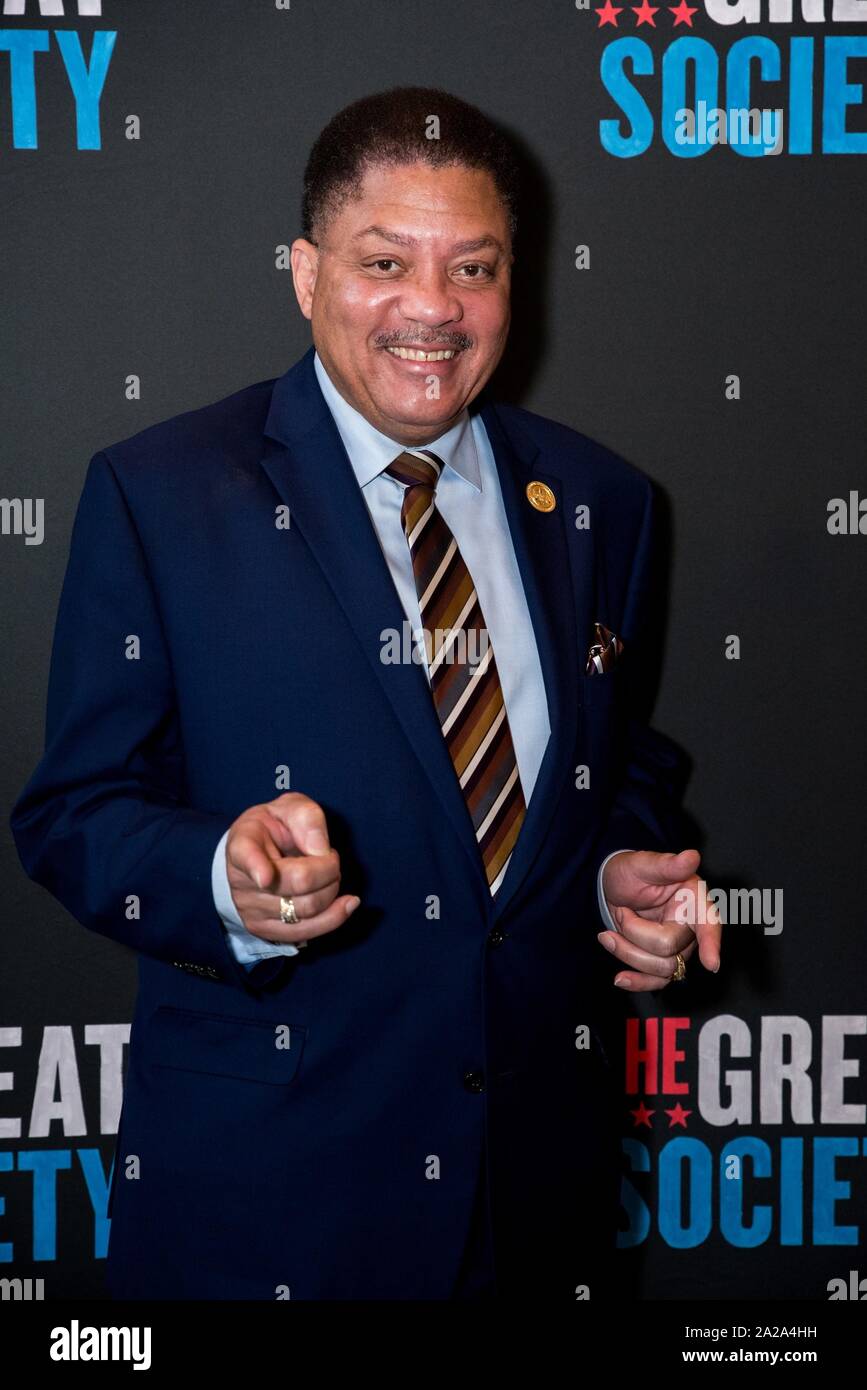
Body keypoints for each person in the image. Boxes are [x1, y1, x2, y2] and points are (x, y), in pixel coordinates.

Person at [11, 86, 721, 1301]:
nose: (433, 311)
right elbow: (74, 810)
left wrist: (620, 873)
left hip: (535, 1204)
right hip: (274, 1204)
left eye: (475, 267)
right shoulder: (164, 492)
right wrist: (221, 878)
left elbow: (613, 768)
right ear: (303, 272)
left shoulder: (607, 502)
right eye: (384, 261)